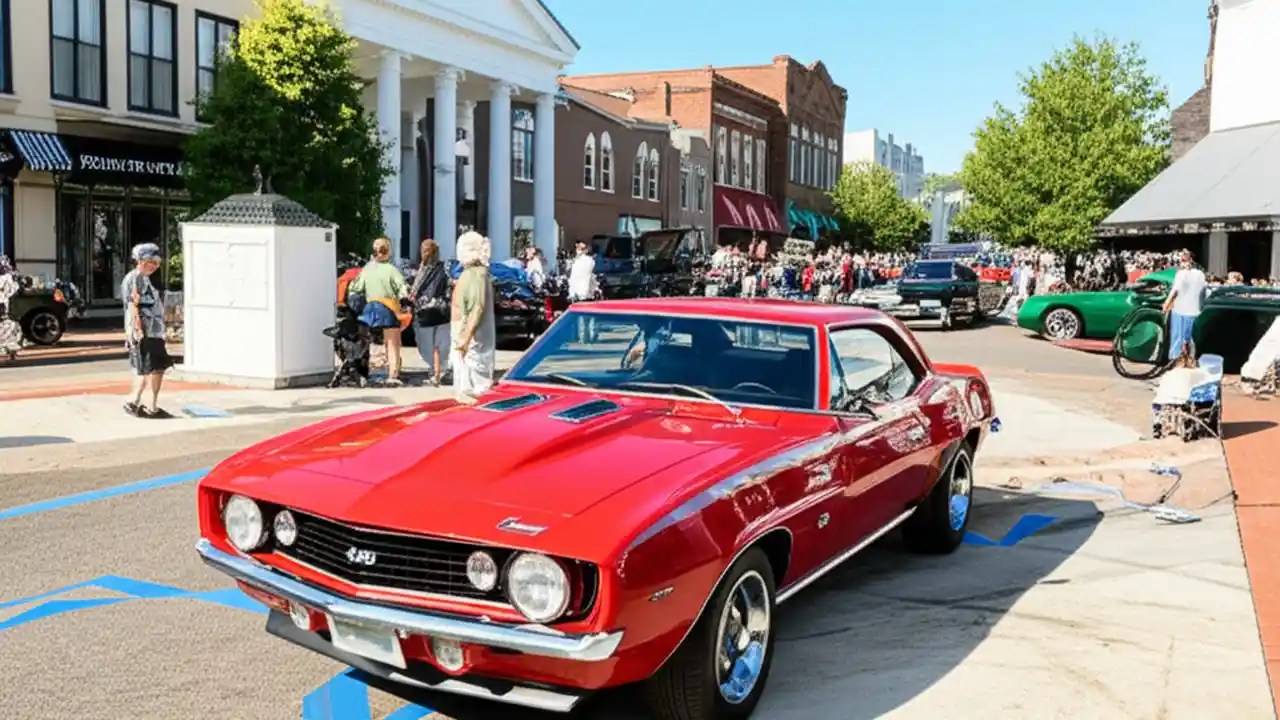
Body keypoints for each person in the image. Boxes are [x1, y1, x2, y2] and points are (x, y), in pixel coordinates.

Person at [122, 243, 174, 418]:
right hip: (146, 330)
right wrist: (138, 328)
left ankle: (138, 402)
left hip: (149, 330)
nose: (154, 266)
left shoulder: (140, 278)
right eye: (150, 261)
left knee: (147, 368)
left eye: (156, 262)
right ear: (141, 261)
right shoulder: (137, 278)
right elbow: (133, 304)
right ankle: (148, 405)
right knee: (153, 368)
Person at [350, 237, 409, 386]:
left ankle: (363, 371)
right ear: (388, 251)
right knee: (392, 342)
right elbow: (402, 288)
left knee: (365, 340)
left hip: (370, 309)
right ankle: (393, 374)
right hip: (388, 308)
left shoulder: (367, 269)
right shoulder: (392, 270)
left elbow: (355, 288)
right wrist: (404, 301)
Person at [450, 231, 496, 403]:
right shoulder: (473, 273)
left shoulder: (477, 274)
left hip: (471, 339)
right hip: (466, 334)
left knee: (472, 386)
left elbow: (477, 307)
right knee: (464, 380)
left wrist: (465, 338)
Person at [409, 238, 450, 387]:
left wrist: (410, 300)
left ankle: (435, 371)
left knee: (427, 345)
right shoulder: (445, 267)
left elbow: (414, 290)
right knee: (440, 345)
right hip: (441, 311)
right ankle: (439, 371)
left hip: (424, 312)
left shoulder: (421, 269)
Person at [1162, 249, 1208, 362]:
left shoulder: (1183, 274)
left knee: (1179, 337)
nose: (1181, 263)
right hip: (1193, 311)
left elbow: (1175, 290)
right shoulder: (1200, 274)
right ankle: (1188, 359)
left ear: (1190, 260)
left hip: (1183, 310)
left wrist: (1167, 302)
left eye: (1183, 260)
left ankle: (1176, 360)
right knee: (1189, 337)